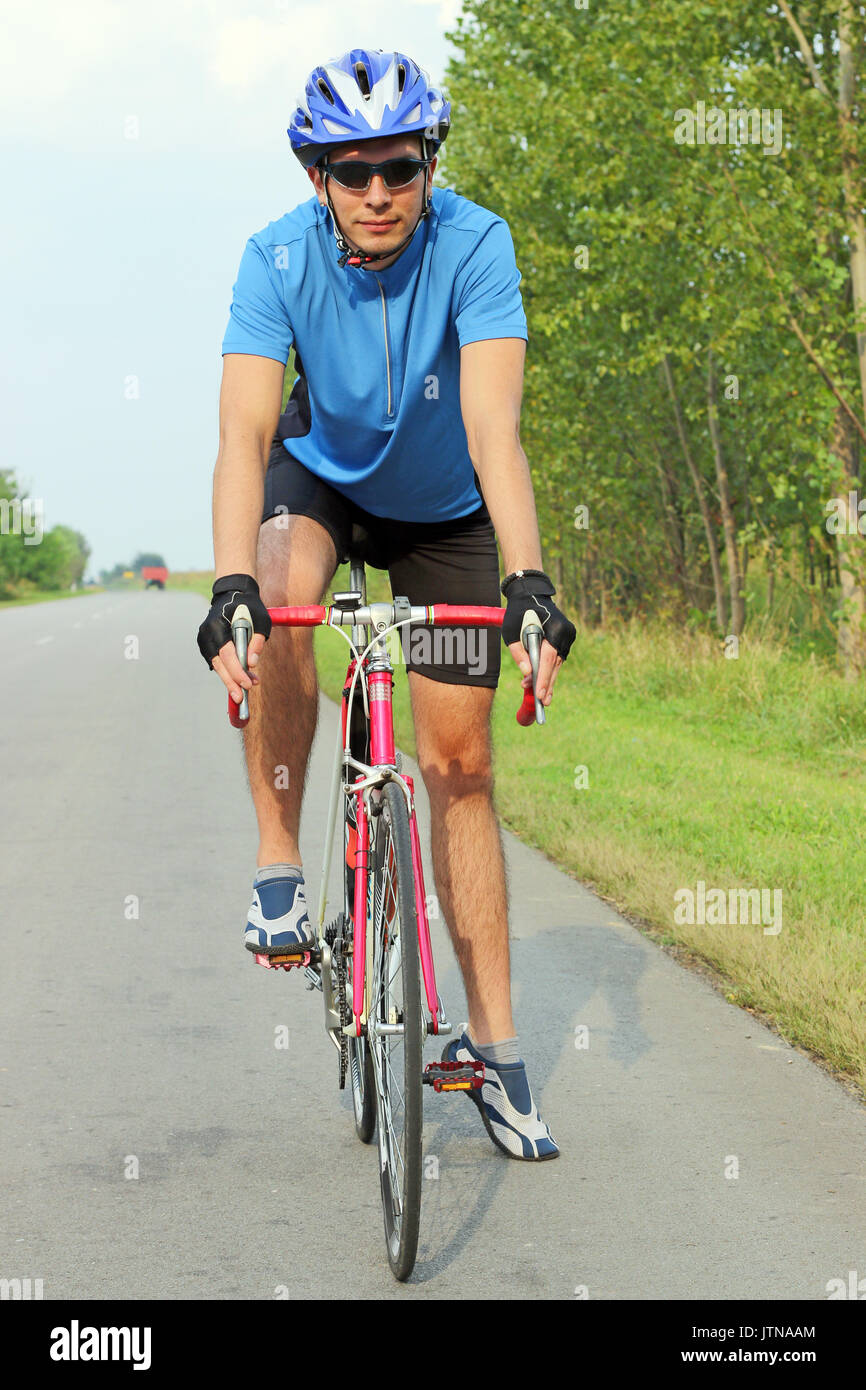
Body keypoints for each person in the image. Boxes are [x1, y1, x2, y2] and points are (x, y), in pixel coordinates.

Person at [197, 48, 575, 1161]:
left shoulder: (477, 242)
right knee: (275, 595)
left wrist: (527, 582)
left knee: (457, 765)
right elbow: (244, 437)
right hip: (317, 483)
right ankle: (278, 867)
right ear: (318, 174)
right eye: (352, 171)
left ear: (426, 164)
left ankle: (497, 1057)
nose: (377, 194)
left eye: (398, 170)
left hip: (443, 509)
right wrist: (226, 588)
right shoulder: (272, 257)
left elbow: (495, 428)